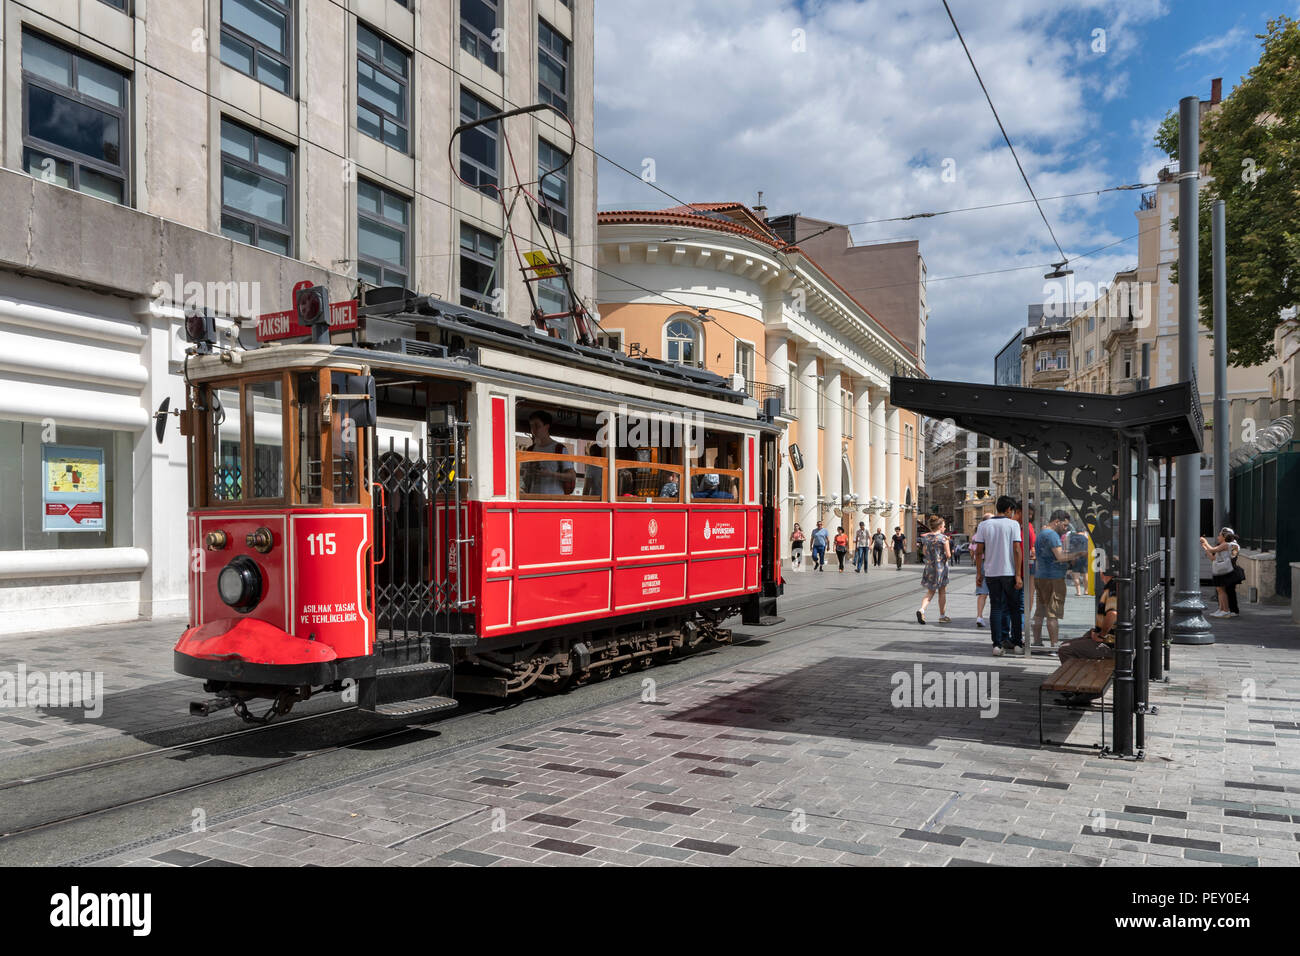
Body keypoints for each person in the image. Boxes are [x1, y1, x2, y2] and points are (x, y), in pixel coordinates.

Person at [973, 495, 1023, 656]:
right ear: (1008, 509)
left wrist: (979, 572)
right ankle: (1017, 643)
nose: (1012, 513)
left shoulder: (984, 525)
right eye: (1012, 510)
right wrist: (1018, 575)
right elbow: (1017, 549)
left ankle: (997, 645)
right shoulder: (1013, 524)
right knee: (1015, 608)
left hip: (991, 573)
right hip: (1009, 573)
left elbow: (979, 551)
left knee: (996, 608)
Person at [1031, 509, 1085, 648]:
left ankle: (1037, 642)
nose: (1065, 528)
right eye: (1064, 525)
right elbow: (1060, 557)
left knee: (1039, 612)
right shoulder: (1053, 535)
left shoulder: (1041, 534)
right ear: (1057, 522)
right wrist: (1077, 554)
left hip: (1040, 576)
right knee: (1052, 614)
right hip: (1054, 578)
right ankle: (1054, 645)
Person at [522, 411, 575, 495]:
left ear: (546, 427)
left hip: (554, 500)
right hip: (533, 498)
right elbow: (525, 477)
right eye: (531, 426)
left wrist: (550, 474)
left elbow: (572, 476)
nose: (533, 430)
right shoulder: (530, 450)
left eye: (537, 426)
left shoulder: (559, 449)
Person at [916, 515, 952, 624]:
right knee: (942, 592)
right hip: (941, 568)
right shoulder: (943, 538)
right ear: (940, 527)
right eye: (944, 526)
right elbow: (949, 555)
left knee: (930, 591)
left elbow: (924, 551)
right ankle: (942, 616)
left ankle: (921, 609)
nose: (945, 528)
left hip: (929, 567)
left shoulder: (926, 538)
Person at [1201, 528, 1243, 617]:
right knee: (1220, 590)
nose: (1217, 537)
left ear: (1224, 536)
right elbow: (1213, 558)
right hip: (1221, 569)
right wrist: (1205, 548)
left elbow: (1213, 550)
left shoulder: (1228, 545)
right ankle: (1221, 609)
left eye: (1219, 535)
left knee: (1224, 590)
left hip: (1227, 570)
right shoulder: (1223, 545)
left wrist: (1205, 541)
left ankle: (1226, 610)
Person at [973, 513, 993, 627]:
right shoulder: (993, 532)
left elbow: (977, 553)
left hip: (982, 564)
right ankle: (994, 617)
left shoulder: (978, 534)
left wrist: (978, 573)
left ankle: (979, 616)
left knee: (982, 593)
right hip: (993, 564)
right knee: (995, 593)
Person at [1066, 526, 1089, 596]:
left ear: (1076, 532)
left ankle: (1078, 592)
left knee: (1076, 576)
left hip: (1075, 558)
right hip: (1084, 557)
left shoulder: (1072, 539)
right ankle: (1086, 590)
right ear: (1083, 532)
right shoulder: (1086, 539)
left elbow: (1070, 548)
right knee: (1085, 574)